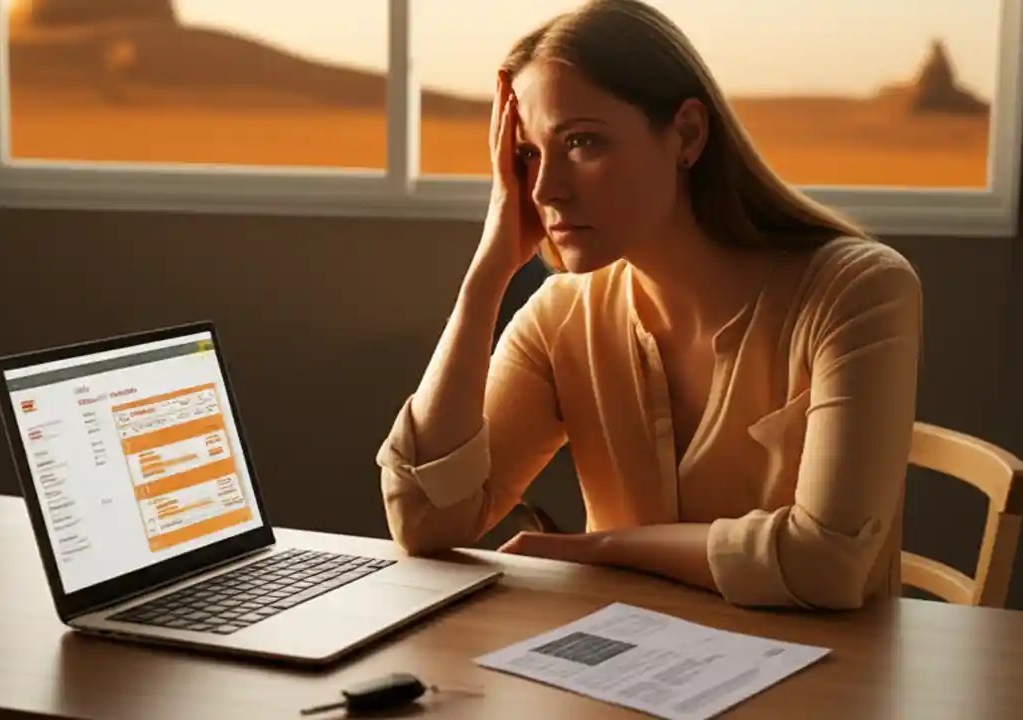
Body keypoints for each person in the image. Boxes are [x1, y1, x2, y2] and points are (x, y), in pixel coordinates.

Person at [376, 0, 922, 610]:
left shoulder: (857, 291)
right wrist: (487, 274)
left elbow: (826, 566)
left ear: (687, 134)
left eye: (582, 141)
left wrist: (604, 547)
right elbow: (426, 520)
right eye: (528, 154)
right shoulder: (562, 317)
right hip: (622, 677)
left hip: (828, 687)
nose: (544, 187)